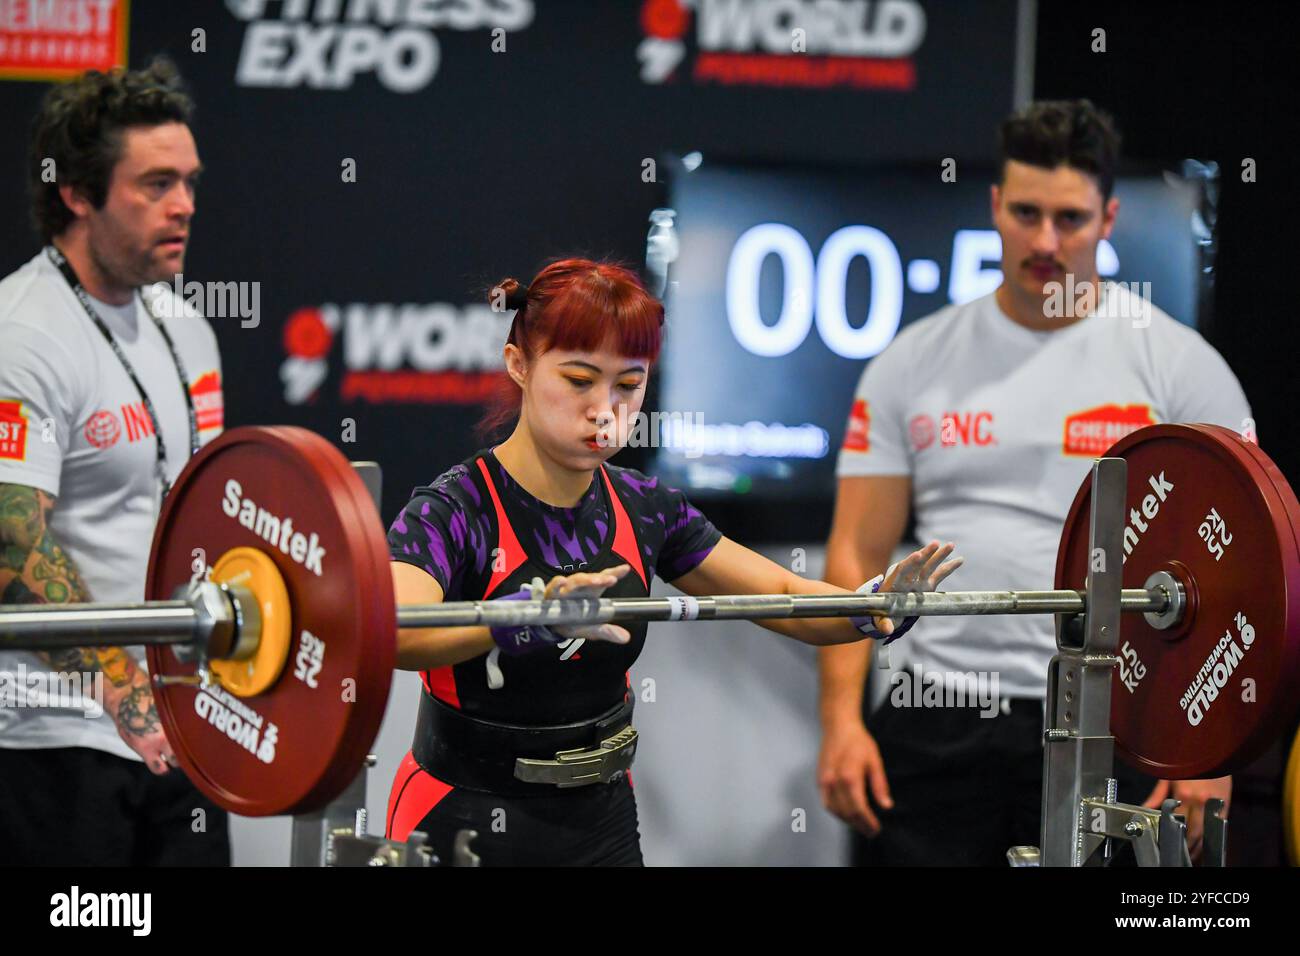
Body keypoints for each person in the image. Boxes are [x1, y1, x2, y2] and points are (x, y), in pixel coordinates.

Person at [384, 258, 962, 865]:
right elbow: (396, 630)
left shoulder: (646, 508)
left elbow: (788, 598)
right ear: (518, 365)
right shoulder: (456, 507)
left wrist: (873, 608)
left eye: (628, 385)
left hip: (600, 824)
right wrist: (519, 618)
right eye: (579, 379)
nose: (605, 410)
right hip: (461, 812)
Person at [817, 99, 1247, 866]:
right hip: (935, 714)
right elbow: (856, 552)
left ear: (1109, 217)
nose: (1046, 241)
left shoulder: (1180, 366)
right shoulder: (911, 361)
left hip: (1116, 717)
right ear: (994, 207)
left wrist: (1207, 753)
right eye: (1026, 212)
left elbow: (1248, 568)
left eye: (1071, 219)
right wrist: (842, 722)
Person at [0, 60, 229, 865]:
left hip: (184, 729)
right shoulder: (21, 333)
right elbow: (11, 544)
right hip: (51, 740)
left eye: (191, 182)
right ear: (77, 192)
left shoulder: (186, 325)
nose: (185, 206)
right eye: (156, 184)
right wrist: (123, 689)